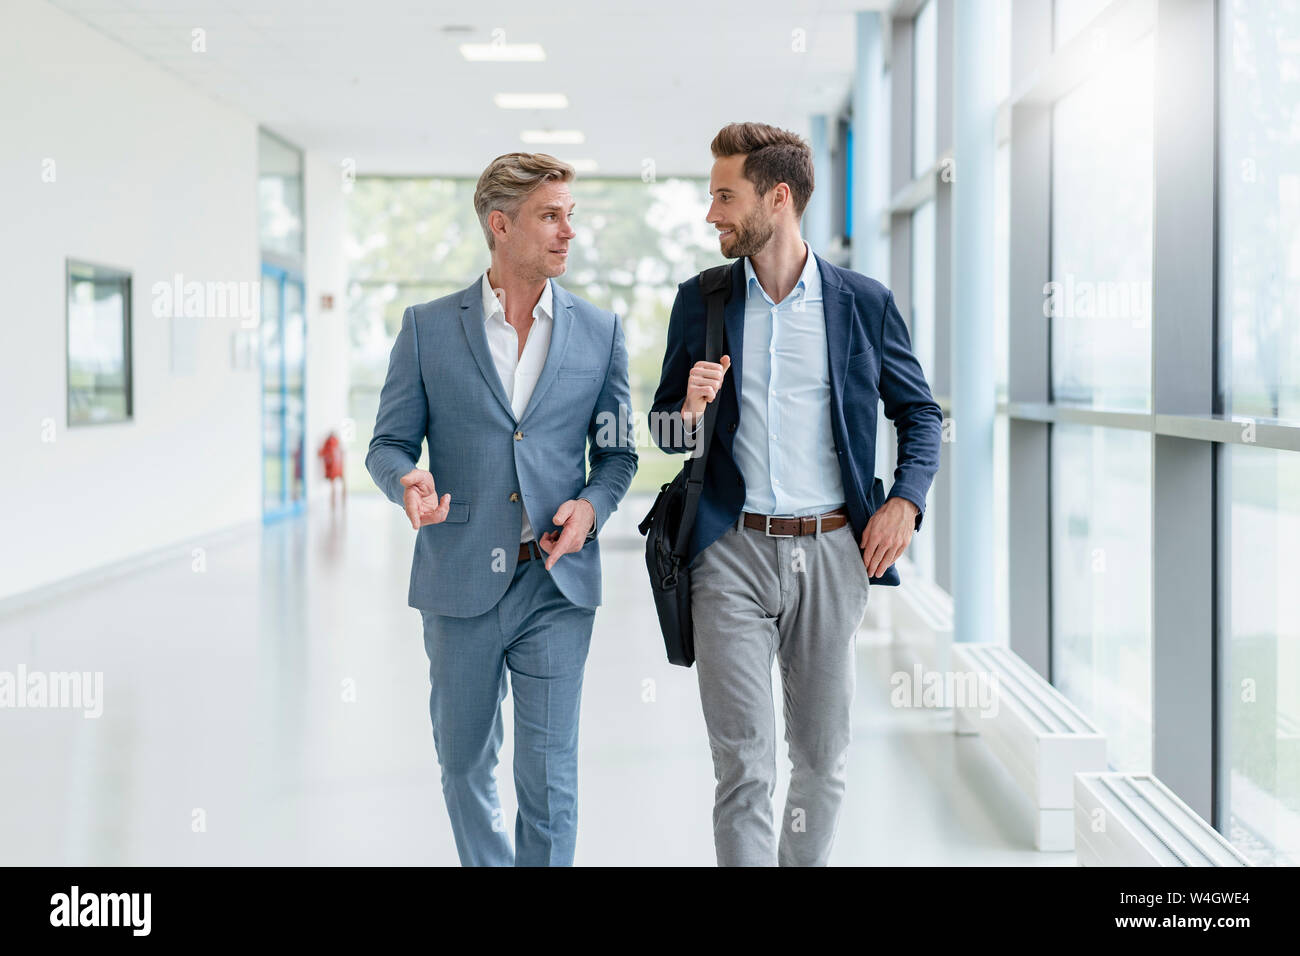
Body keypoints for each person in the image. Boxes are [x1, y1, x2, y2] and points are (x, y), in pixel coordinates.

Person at [649, 122, 942, 866]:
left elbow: (919, 413)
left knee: (821, 759)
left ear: (777, 199)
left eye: (725, 196)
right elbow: (665, 432)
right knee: (744, 765)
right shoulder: (703, 301)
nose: (711, 213)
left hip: (833, 553)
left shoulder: (862, 304)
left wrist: (905, 500)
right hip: (729, 554)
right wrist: (685, 410)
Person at [366, 152, 637, 866]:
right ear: (500, 225)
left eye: (569, 216)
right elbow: (388, 443)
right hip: (459, 581)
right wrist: (405, 482)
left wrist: (590, 506)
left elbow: (618, 456)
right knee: (463, 765)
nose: (567, 233)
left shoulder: (600, 332)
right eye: (551, 216)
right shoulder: (427, 328)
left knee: (548, 777)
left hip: (554, 582)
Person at [318, 430, 346, 509]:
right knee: (342, 482)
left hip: (332, 467)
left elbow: (323, 453)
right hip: (339, 466)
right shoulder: (337, 442)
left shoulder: (328, 442)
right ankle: (343, 500)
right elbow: (342, 453)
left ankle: (333, 502)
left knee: (333, 485)